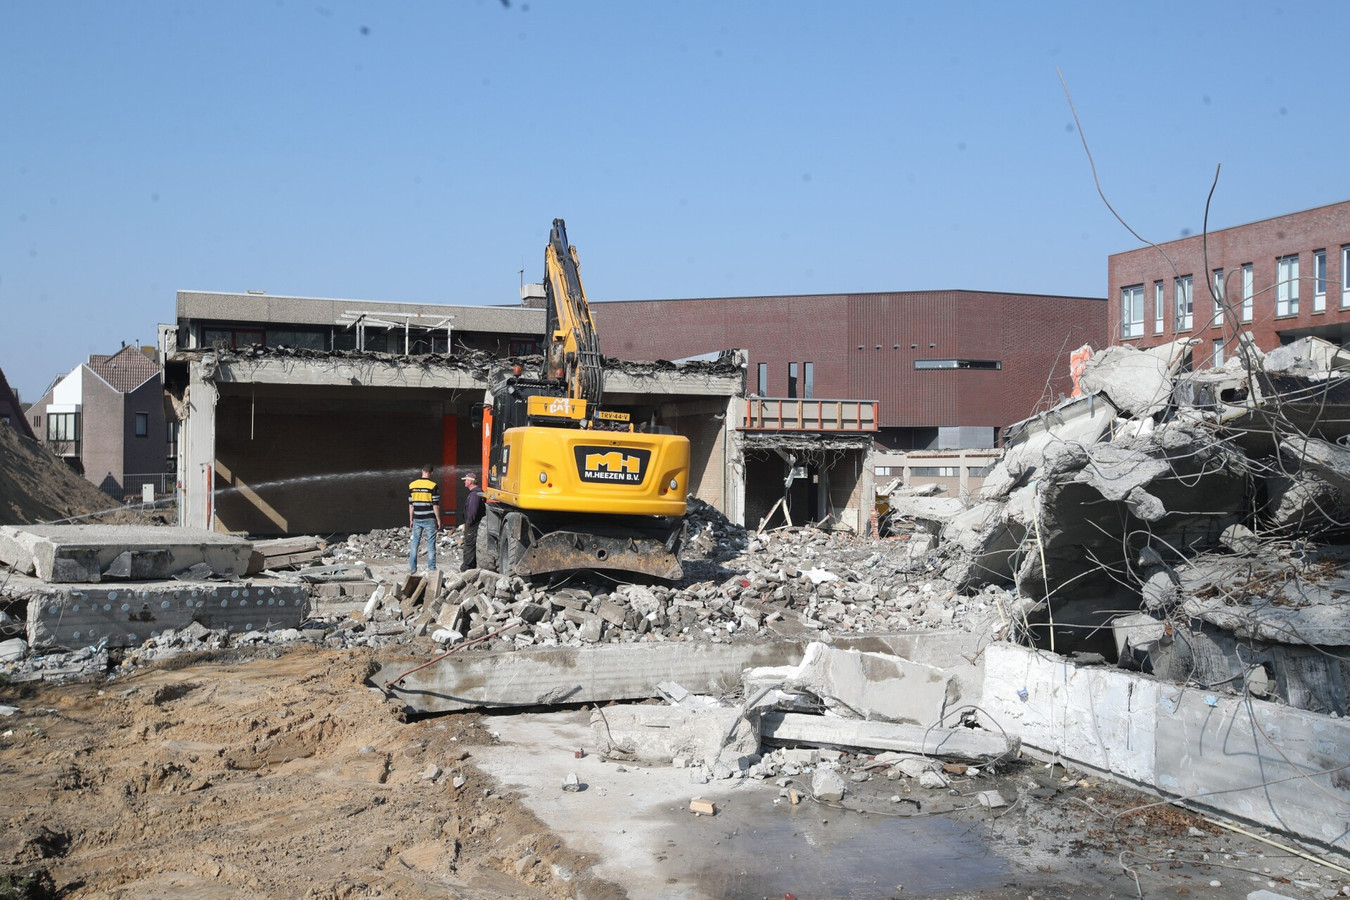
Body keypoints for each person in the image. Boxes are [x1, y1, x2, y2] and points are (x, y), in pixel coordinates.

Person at [408, 464, 442, 573]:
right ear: (431, 473)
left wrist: (411, 519)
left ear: (422, 471)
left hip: (417, 517)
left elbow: (411, 505)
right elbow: (435, 505)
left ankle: (413, 568)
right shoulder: (433, 486)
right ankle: (432, 569)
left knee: (414, 543)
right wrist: (438, 519)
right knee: (431, 544)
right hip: (430, 518)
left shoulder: (412, 485)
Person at [460, 472, 485, 571]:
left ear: (470, 482)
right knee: (472, 546)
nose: (464, 482)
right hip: (474, 524)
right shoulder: (476, 493)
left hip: (473, 525)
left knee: (469, 546)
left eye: (466, 480)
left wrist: (468, 524)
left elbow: (472, 512)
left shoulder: (474, 495)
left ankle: (466, 568)